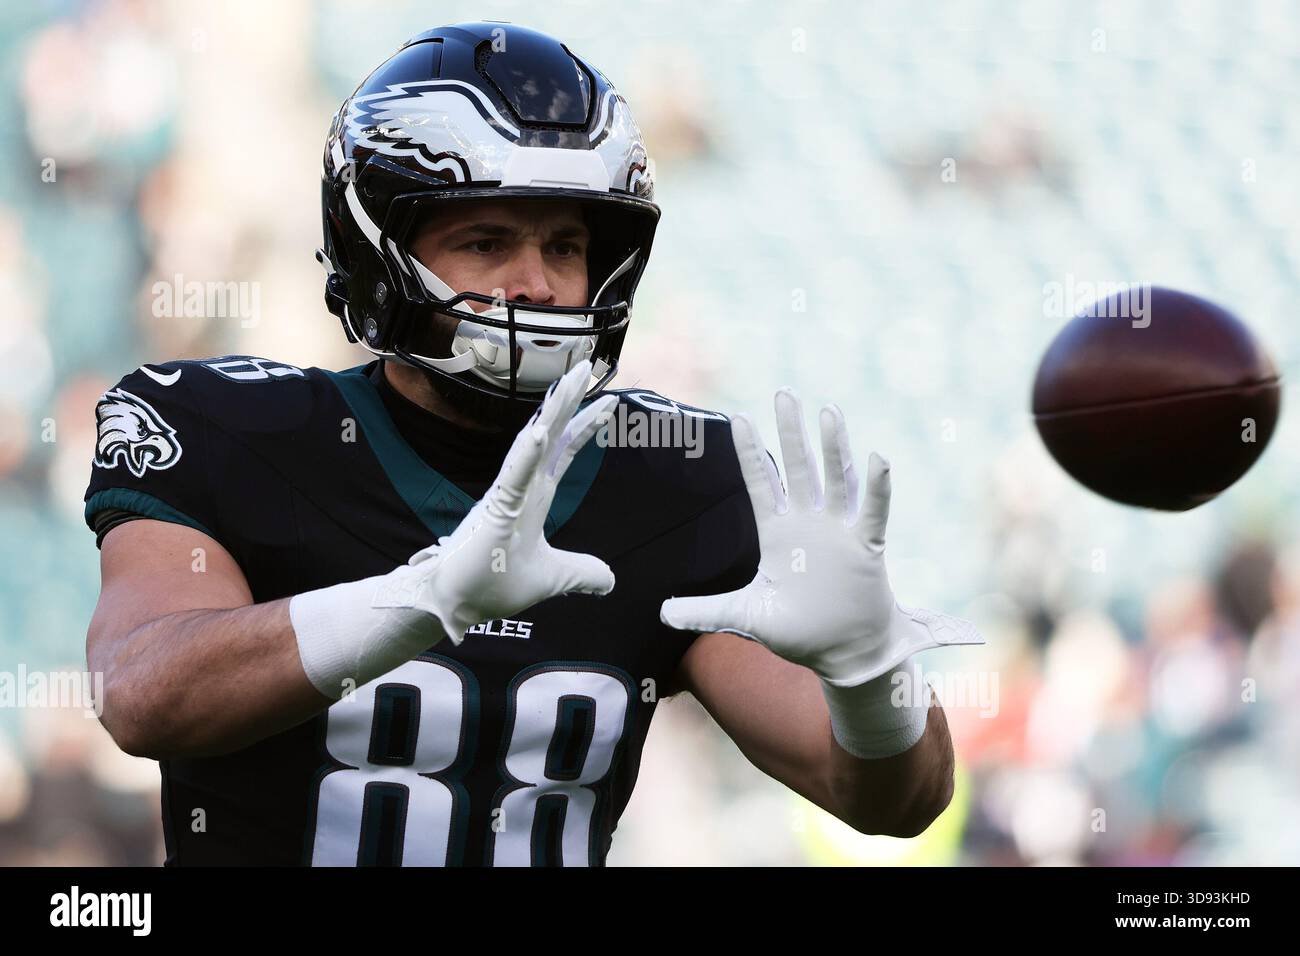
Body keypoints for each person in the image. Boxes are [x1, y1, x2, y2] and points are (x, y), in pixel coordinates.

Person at [84, 21, 982, 866]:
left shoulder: (672, 476)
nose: (540, 284)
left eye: (565, 246)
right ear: (376, 251)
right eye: (486, 241)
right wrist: (419, 600)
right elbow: (141, 692)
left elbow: (896, 804)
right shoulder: (231, 427)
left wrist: (869, 674)